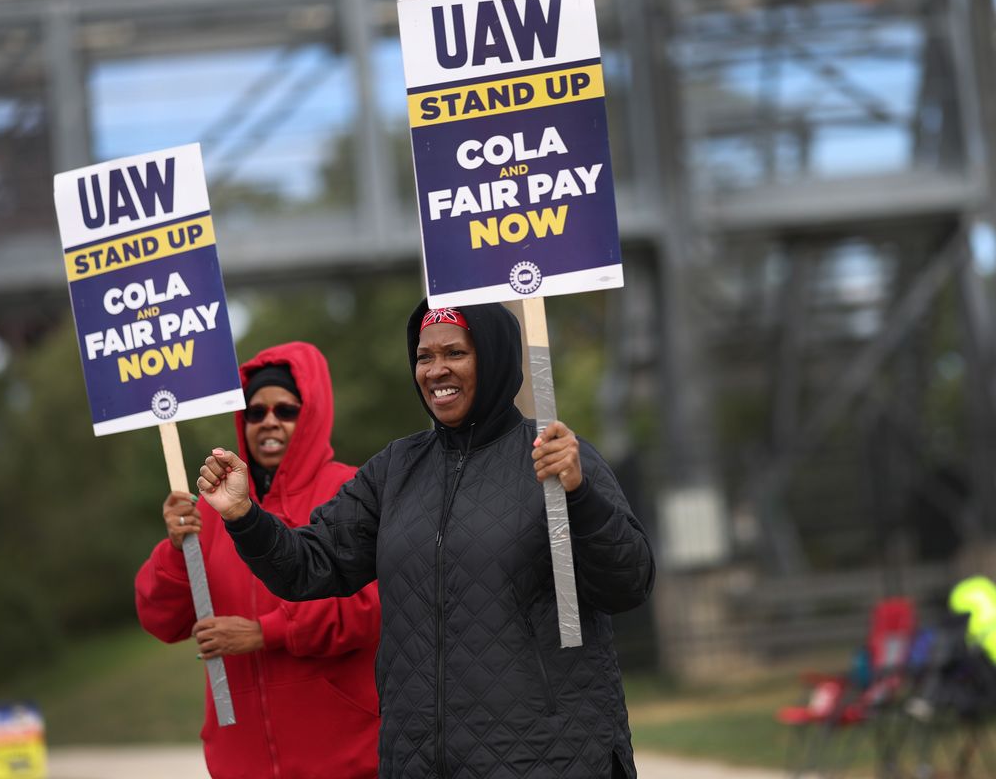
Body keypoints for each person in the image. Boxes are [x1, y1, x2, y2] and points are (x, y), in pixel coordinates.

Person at [196, 301, 655, 778]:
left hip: (548, 759)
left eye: (455, 353)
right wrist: (244, 515)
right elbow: (307, 567)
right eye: (424, 357)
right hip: (419, 762)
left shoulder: (556, 459)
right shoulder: (395, 470)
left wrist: (580, 496)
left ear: (494, 358)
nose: (436, 371)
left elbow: (627, 584)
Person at [135, 342, 380, 779]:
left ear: (312, 414)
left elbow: (373, 606)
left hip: (345, 758)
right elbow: (160, 619)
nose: (269, 421)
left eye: (285, 410)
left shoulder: (350, 490)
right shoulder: (213, 507)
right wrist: (175, 547)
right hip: (241, 762)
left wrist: (266, 632)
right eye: (255, 412)